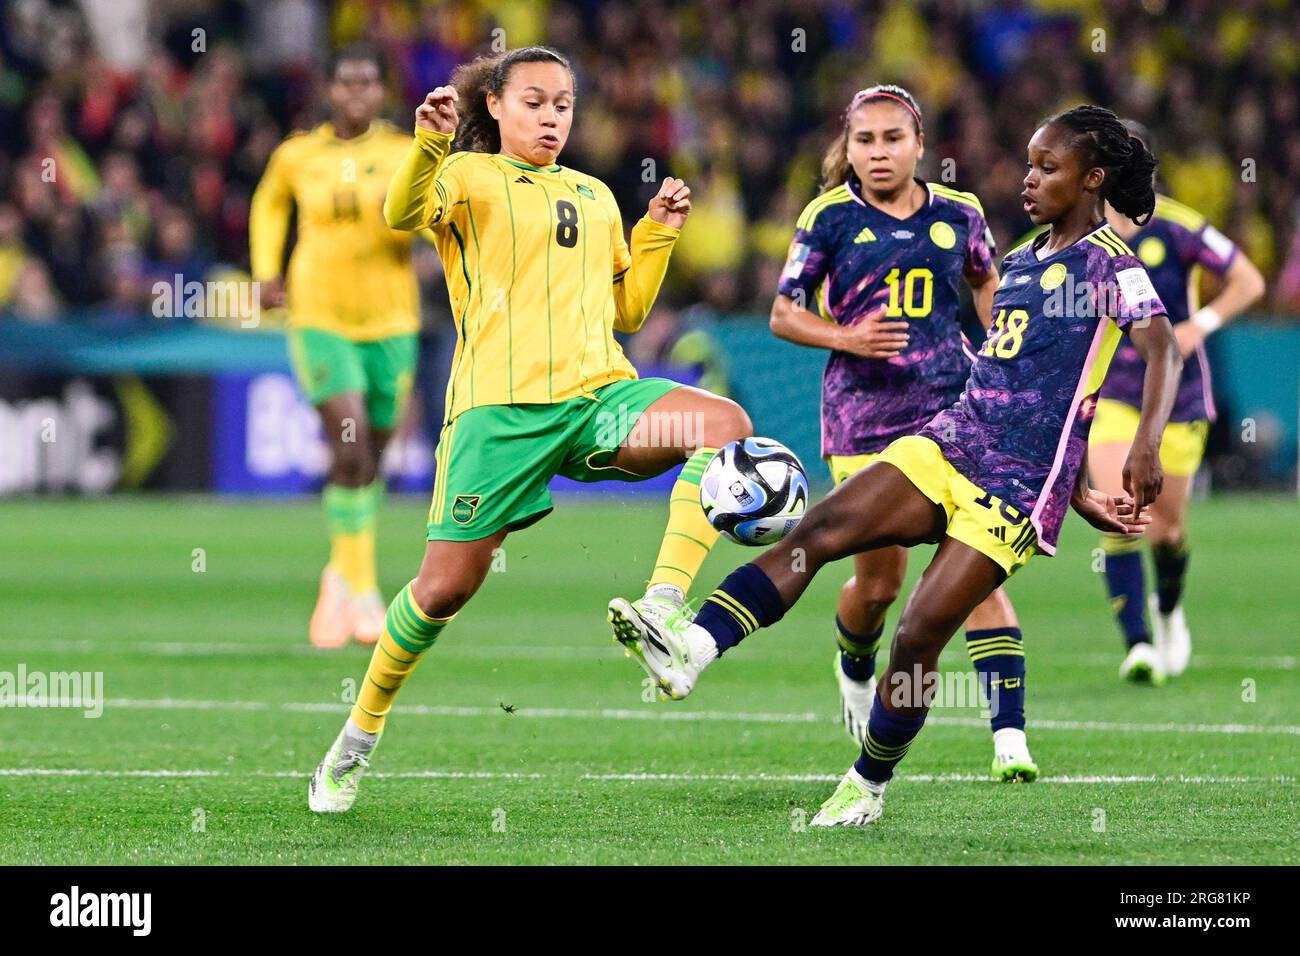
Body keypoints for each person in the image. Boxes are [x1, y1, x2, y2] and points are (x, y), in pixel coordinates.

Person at [608, 105, 1179, 826]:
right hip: (951, 439)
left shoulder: (1109, 265)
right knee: (816, 532)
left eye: (1047, 168)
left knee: (916, 634)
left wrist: (1141, 448)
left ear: (1092, 179)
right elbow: (1019, 383)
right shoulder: (1029, 259)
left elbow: (1163, 348)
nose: (1028, 179)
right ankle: (690, 648)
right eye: (1029, 163)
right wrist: (1086, 490)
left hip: (1014, 487)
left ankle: (868, 784)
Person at [307, 46, 752, 813]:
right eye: (535, 102)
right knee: (444, 589)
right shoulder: (465, 177)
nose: (552, 117)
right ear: (497, 108)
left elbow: (628, 313)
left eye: (564, 105)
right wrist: (426, 145)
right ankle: (357, 736)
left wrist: (657, 233)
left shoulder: (596, 194)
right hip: (498, 414)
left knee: (723, 424)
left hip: (598, 396)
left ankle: (662, 609)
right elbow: (399, 213)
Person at [767, 84, 1035, 781]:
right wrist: (848, 337)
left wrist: (1009, 354)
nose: (879, 153)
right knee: (879, 586)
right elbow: (783, 315)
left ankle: (1010, 738)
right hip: (863, 421)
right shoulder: (827, 217)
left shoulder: (961, 214)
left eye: (892, 139)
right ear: (848, 149)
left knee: (975, 567)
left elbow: (989, 292)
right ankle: (855, 660)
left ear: (920, 145)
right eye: (865, 141)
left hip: (954, 420)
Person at [250, 44, 421, 648]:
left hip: (391, 321)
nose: (356, 94)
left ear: (380, 92)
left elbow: (430, 212)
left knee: (371, 454)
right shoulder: (299, 155)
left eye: (368, 83)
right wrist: (266, 267)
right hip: (320, 314)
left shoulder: (404, 151)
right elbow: (269, 201)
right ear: (329, 90)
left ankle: (338, 576)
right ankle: (364, 588)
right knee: (347, 444)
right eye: (345, 84)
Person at [1088, 121, 1265, 685]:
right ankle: (1137, 642)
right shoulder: (1081, 235)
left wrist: (1199, 325)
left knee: (1166, 527)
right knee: (1119, 508)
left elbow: (1248, 279)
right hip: (1112, 392)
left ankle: (1168, 611)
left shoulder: (1180, 227)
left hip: (1178, 396)